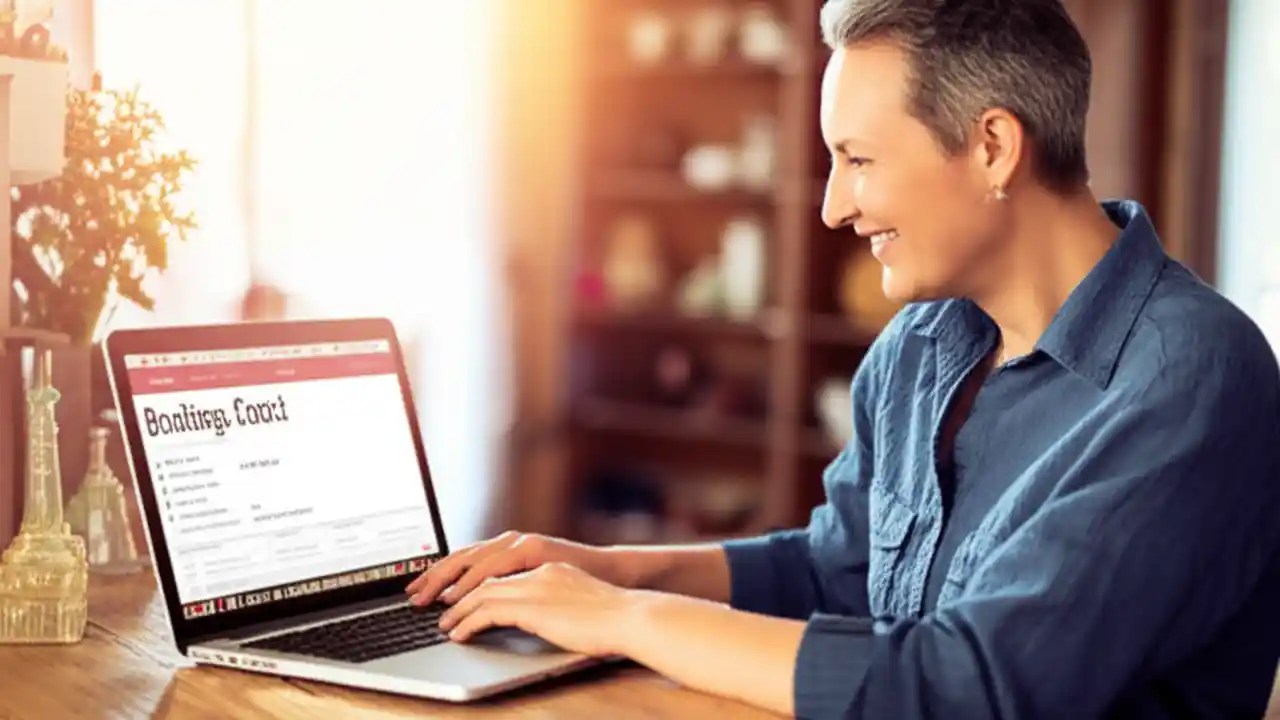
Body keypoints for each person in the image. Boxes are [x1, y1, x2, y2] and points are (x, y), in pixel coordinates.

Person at [405, 1, 1280, 717]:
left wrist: (626, 617)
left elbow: (973, 688)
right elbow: (838, 570)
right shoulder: (922, 343)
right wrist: (609, 568)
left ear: (992, 147)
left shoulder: (1192, 378)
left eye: (858, 159)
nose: (832, 207)